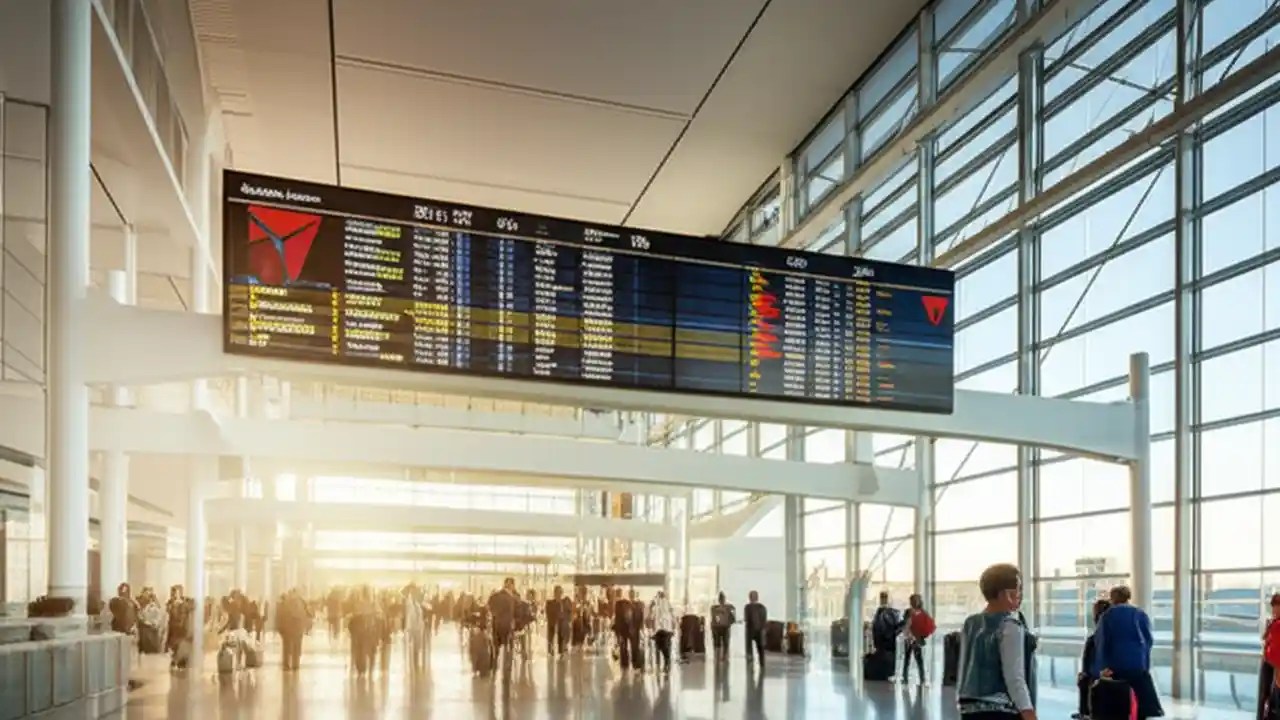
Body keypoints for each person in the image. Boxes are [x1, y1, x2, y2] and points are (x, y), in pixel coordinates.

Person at [956, 563, 1037, 720]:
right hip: (1000, 710)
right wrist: (1028, 711)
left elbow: (963, 667)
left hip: (969, 708)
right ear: (1005, 594)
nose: (1020, 594)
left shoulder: (971, 623)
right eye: (1018, 589)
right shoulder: (1010, 626)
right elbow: (1014, 676)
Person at [1093, 585, 1161, 719]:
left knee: (1118, 701)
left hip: (1116, 664)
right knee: (1139, 697)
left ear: (1113, 599)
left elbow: (1102, 641)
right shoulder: (1140, 614)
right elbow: (1148, 640)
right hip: (1137, 664)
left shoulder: (1107, 616)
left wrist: (1101, 667)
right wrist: (1144, 662)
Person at [1075, 599, 1111, 720]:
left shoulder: (1094, 639)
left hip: (1098, 679)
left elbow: (1088, 664)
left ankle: (1084, 713)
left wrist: (1086, 674)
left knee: (1083, 679)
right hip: (1109, 676)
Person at [901, 593, 935, 685]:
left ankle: (905, 678)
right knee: (919, 660)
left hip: (910, 639)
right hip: (917, 639)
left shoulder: (908, 612)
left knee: (907, 660)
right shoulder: (923, 613)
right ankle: (922, 679)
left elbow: (905, 625)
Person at [489, 578, 519, 666]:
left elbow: (490, 606)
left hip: (497, 624)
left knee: (496, 645)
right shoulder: (513, 597)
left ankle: (493, 663)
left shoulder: (495, 595)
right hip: (508, 625)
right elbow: (517, 611)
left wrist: (495, 615)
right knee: (508, 646)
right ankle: (507, 665)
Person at [277, 589, 308, 671]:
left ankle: (287, 665)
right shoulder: (301, 602)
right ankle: (295, 664)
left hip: (288, 629)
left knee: (287, 648)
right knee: (296, 647)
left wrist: (280, 627)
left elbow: (280, 616)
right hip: (296, 628)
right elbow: (305, 615)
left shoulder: (285, 603)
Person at [1262, 594, 1280, 720]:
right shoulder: (1274, 623)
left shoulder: (1277, 625)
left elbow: (1273, 655)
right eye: (1273, 606)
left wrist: (1266, 652)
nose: (1274, 610)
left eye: (1277, 606)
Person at [650, 590, 677, 673]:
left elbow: (651, 617)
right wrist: (674, 629)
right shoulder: (667, 604)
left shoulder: (658, 604)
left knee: (659, 647)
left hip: (660, 630)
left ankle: (662, 664)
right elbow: (673, 617)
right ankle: (666, 663)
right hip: (666, 630)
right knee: (666, 647)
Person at [710, 591, 736, 662]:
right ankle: (724, 657)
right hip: (724, 626)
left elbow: (713, 618)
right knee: (725, 643)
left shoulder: (714, 608)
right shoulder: (729, 607)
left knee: (717, 643)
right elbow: (733, 618)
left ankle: (717, 657)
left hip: (716, 627)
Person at [546, 585, 572, 657]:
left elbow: (569, 612)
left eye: (560, 592)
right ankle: (551, 648)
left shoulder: (565, 602)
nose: (559, 594)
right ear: (554, 593)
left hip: (562, 623)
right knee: (552, 629)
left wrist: (568, 619)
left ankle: (562, 649)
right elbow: (549, 615)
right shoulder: (550, 603)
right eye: (557, 592)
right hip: (554, 622)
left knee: (564, 627)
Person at [744, 590, 768, 668]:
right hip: (760, 630)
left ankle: (750, 663)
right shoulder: (762, 607)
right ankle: (762, 664)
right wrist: (763, 629)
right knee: (760, 648)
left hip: (750, 631)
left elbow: (746, 619)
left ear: (750, 598)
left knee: (749, 647)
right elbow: (764, 620)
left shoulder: (747, 607)